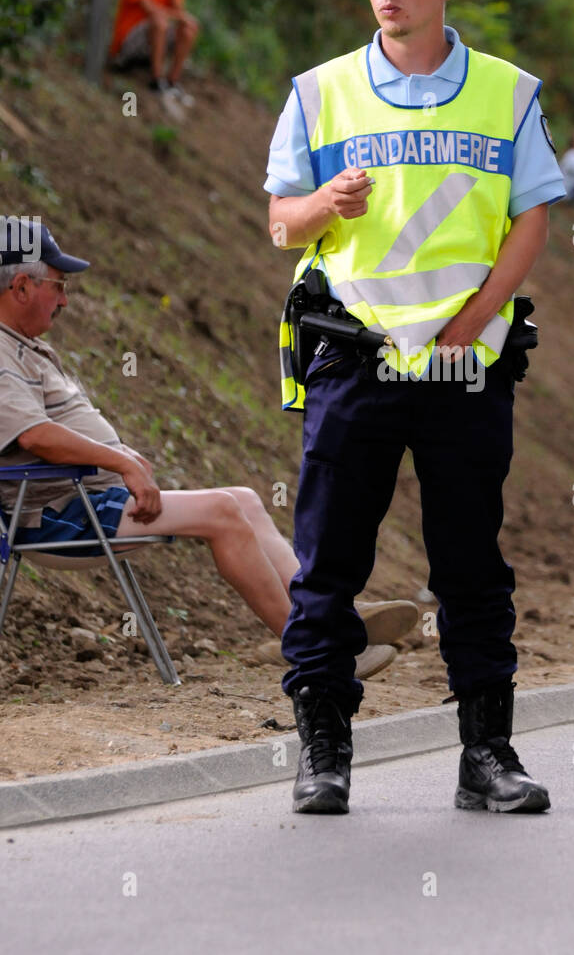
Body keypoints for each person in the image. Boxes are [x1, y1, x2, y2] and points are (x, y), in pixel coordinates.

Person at [265, 0, 565, 815]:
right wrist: (326, 201)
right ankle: (324, 755)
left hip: (463, 362)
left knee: (470, 562)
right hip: (354, 358)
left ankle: (488, 758)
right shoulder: (319, 92)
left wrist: (472, 322)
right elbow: (282, 224)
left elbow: (532, 218)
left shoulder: (508, 92)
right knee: (327, 565)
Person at [0, 220, 417, 680]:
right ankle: (315, 649)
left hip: (92, 503)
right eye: (58, 286)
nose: (64, 300)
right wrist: (119, 460)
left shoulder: (23, 347)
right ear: (21, 286)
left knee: (244, 498)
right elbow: (33, 435)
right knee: (222, 511)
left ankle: (327, 615)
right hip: (59, 515)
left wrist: (120, 459)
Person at [109, 0, 199, 115]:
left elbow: (180, 15)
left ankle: (172, 81)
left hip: (154, 41)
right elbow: (150, 9)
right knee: (160, 21)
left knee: (188, 28)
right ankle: (156, 81)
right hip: (129, 42)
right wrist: (182, 17)